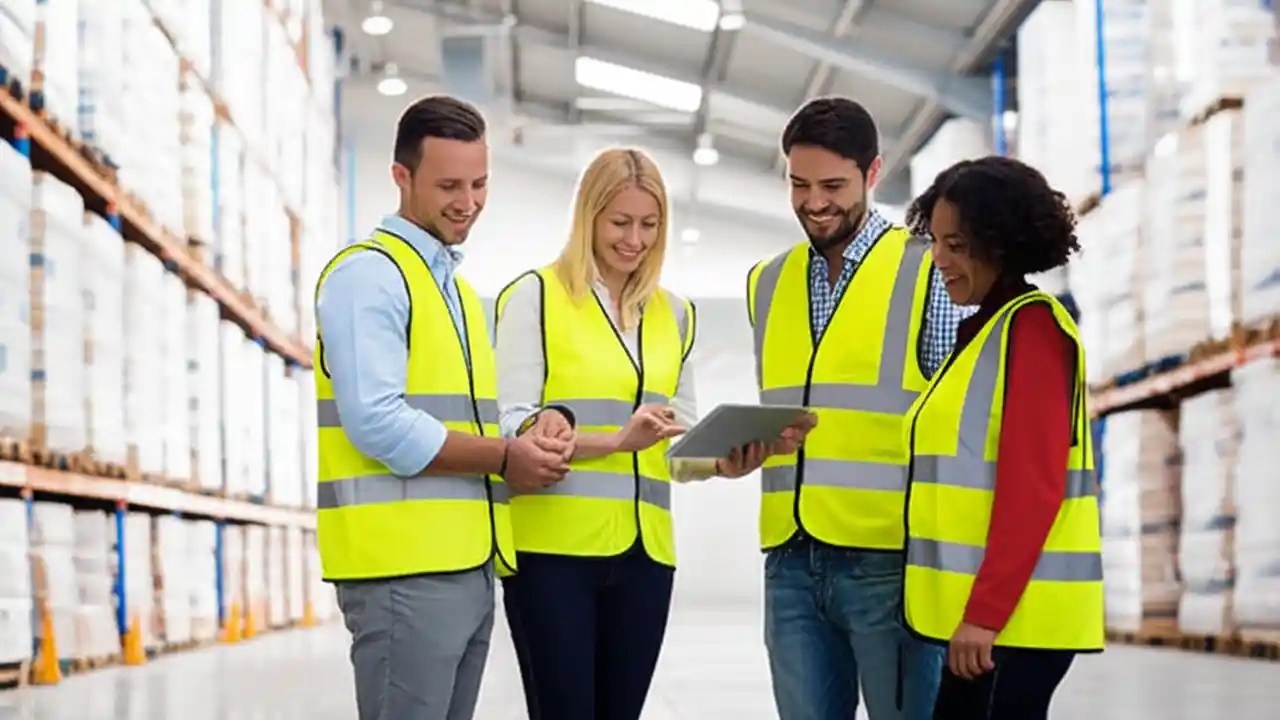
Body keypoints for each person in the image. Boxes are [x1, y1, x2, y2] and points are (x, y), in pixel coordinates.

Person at [493, 147, 792, 720]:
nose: (635, 240)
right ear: (589, 218)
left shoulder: (674, 314)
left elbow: (677, 445)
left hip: (645, 555)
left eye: (649, 225)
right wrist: (611, 442)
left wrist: (720, 460)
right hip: (552, 554)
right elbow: (511, 426)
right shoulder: (534, 297)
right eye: (620, 223)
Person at [312, 95, 574, 720]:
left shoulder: (453, 289)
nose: (469, 202)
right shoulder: (368, 276)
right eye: (449, 185)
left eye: (480, 183)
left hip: (466, 564)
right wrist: (506, 456)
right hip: (403, 572)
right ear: (401, 178)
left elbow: (468, 417)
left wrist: (535, 425)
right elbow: (376, 419)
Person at [745, 97, 960, 720]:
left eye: (834, 185)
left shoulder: (926, 267)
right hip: (789, 558)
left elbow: (956, 422)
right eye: (799, 184)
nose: (814, 202)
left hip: (888, 559)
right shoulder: (767, 281)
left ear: (873, 173)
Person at [900, 156, 1104, 719]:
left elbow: (1033, 488)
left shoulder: (1032, 330)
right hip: (996, 622)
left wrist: (985, 615)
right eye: (937, 242)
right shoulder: (986, 331)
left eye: (957, 244)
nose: (938, 259)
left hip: (1014, 624)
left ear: (1002, 243)